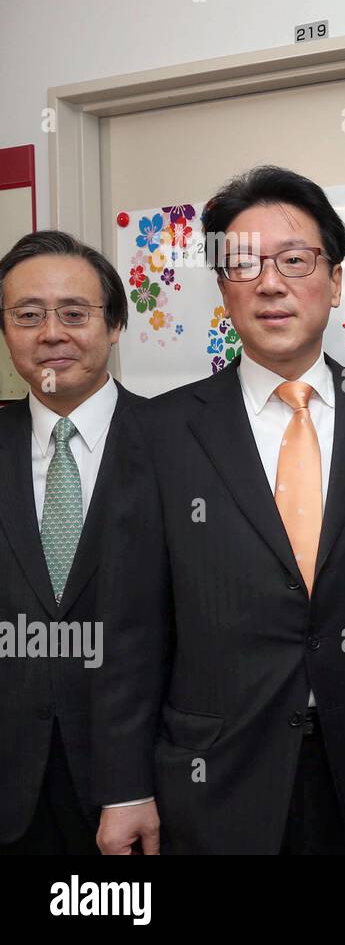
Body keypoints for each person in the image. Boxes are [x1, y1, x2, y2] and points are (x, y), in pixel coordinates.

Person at [93, 166, 345, 854]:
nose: (271, 284)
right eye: (244, 264)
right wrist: (125, 787)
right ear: (221, 287)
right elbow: (128, 626)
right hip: (217, 778)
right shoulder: (160, 432)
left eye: (296, 261)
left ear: (333, 279)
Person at [0, 231, 142, 854]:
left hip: (135, 787)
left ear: (113, 325)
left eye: (75, 314)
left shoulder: (177, 443)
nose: (51, 333)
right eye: (28, 316)